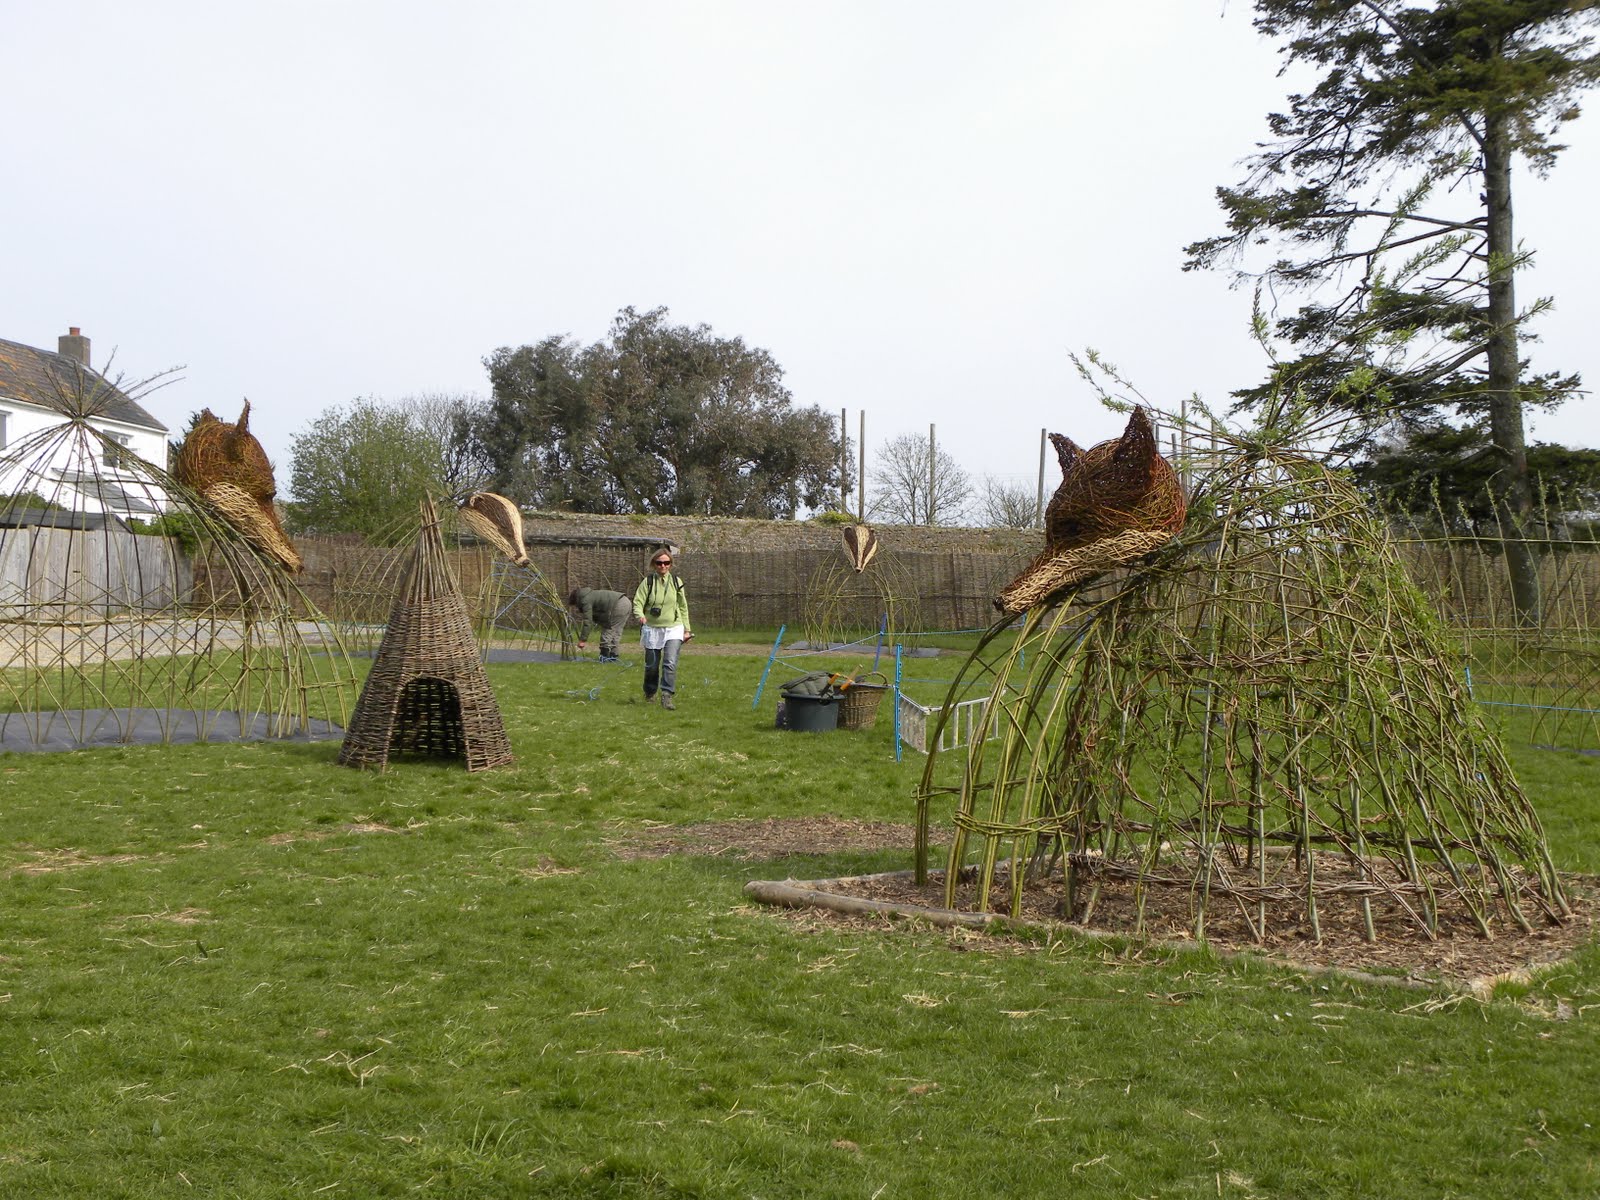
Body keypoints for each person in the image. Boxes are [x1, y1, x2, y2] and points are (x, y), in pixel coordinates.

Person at [632, 549, 692, 709]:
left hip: (674, 628)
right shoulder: (648, 581)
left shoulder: (676, 581)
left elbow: (682, 606)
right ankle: (650, 692)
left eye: (666, 563)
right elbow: (638, 602)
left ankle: (667, 696)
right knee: (652, 665)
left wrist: (687, 629)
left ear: (671, 564)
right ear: (654, 564)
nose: (663, 566)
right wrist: (640, 616)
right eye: (659, 563)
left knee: (670, 662)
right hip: (652, 628)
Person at [566, 586, 632, 663]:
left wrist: (582, 640)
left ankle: (604, 657)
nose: (576, 608)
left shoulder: (585, 600)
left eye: (575, 605)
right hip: (626, 602)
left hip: (618, 605)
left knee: (608, 630)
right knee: (616, 632)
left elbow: (587, 621)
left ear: (576, 601)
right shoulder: (590, 594)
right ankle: (613, 657)